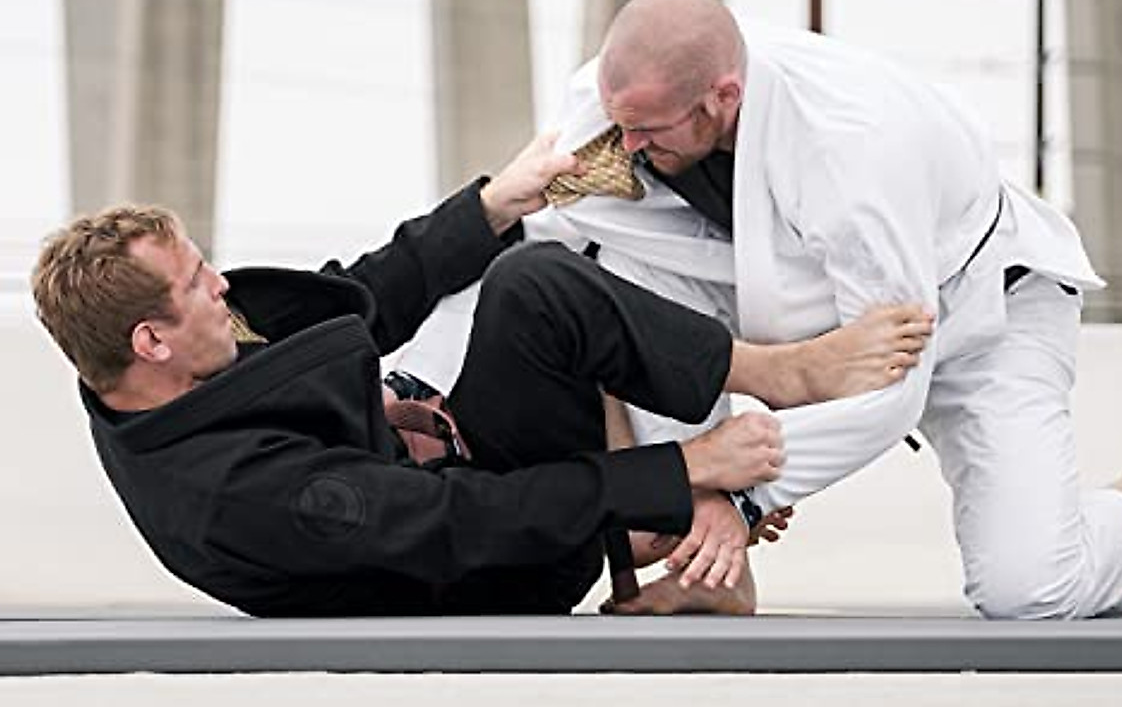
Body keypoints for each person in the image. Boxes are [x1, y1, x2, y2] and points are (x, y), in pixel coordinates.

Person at [30, 134, 933, 617]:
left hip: (443, 467)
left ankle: (758, 396)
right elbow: (460, 523)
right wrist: (684, 466)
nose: (220, 285)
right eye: (197, 282)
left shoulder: (186, 353)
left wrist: (498, 201)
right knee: (542, 287)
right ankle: (675, 504)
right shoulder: (229, 495)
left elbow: (357, 301)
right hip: (485, 568)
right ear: (150, 341)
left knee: (530, 264)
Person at [552, 0, 1122, 620]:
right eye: (619, 123)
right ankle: (714, 576)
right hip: (795, 298)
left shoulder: (852, 152)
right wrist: (690, 484)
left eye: (645, 131)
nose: (625, 146)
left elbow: (890, 386)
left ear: (723, 96)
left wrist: (743, 499)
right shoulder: (612, 106)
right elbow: (582, 263)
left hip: (983, 308)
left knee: (1029, 589)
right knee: (624, 278)